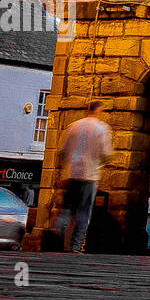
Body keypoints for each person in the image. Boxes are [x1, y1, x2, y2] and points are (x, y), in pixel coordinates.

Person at [53, 102, 113, 253]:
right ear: (98, 111)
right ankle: (75, 246)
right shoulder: (102, 129)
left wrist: (67, 165)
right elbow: (106, 155)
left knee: (68, 208)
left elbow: (61, 151)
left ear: (88, 110)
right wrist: (99, 165)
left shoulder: (73, 127)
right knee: (84, 213)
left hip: (72, 173)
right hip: (89, 175)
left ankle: (58, 229)